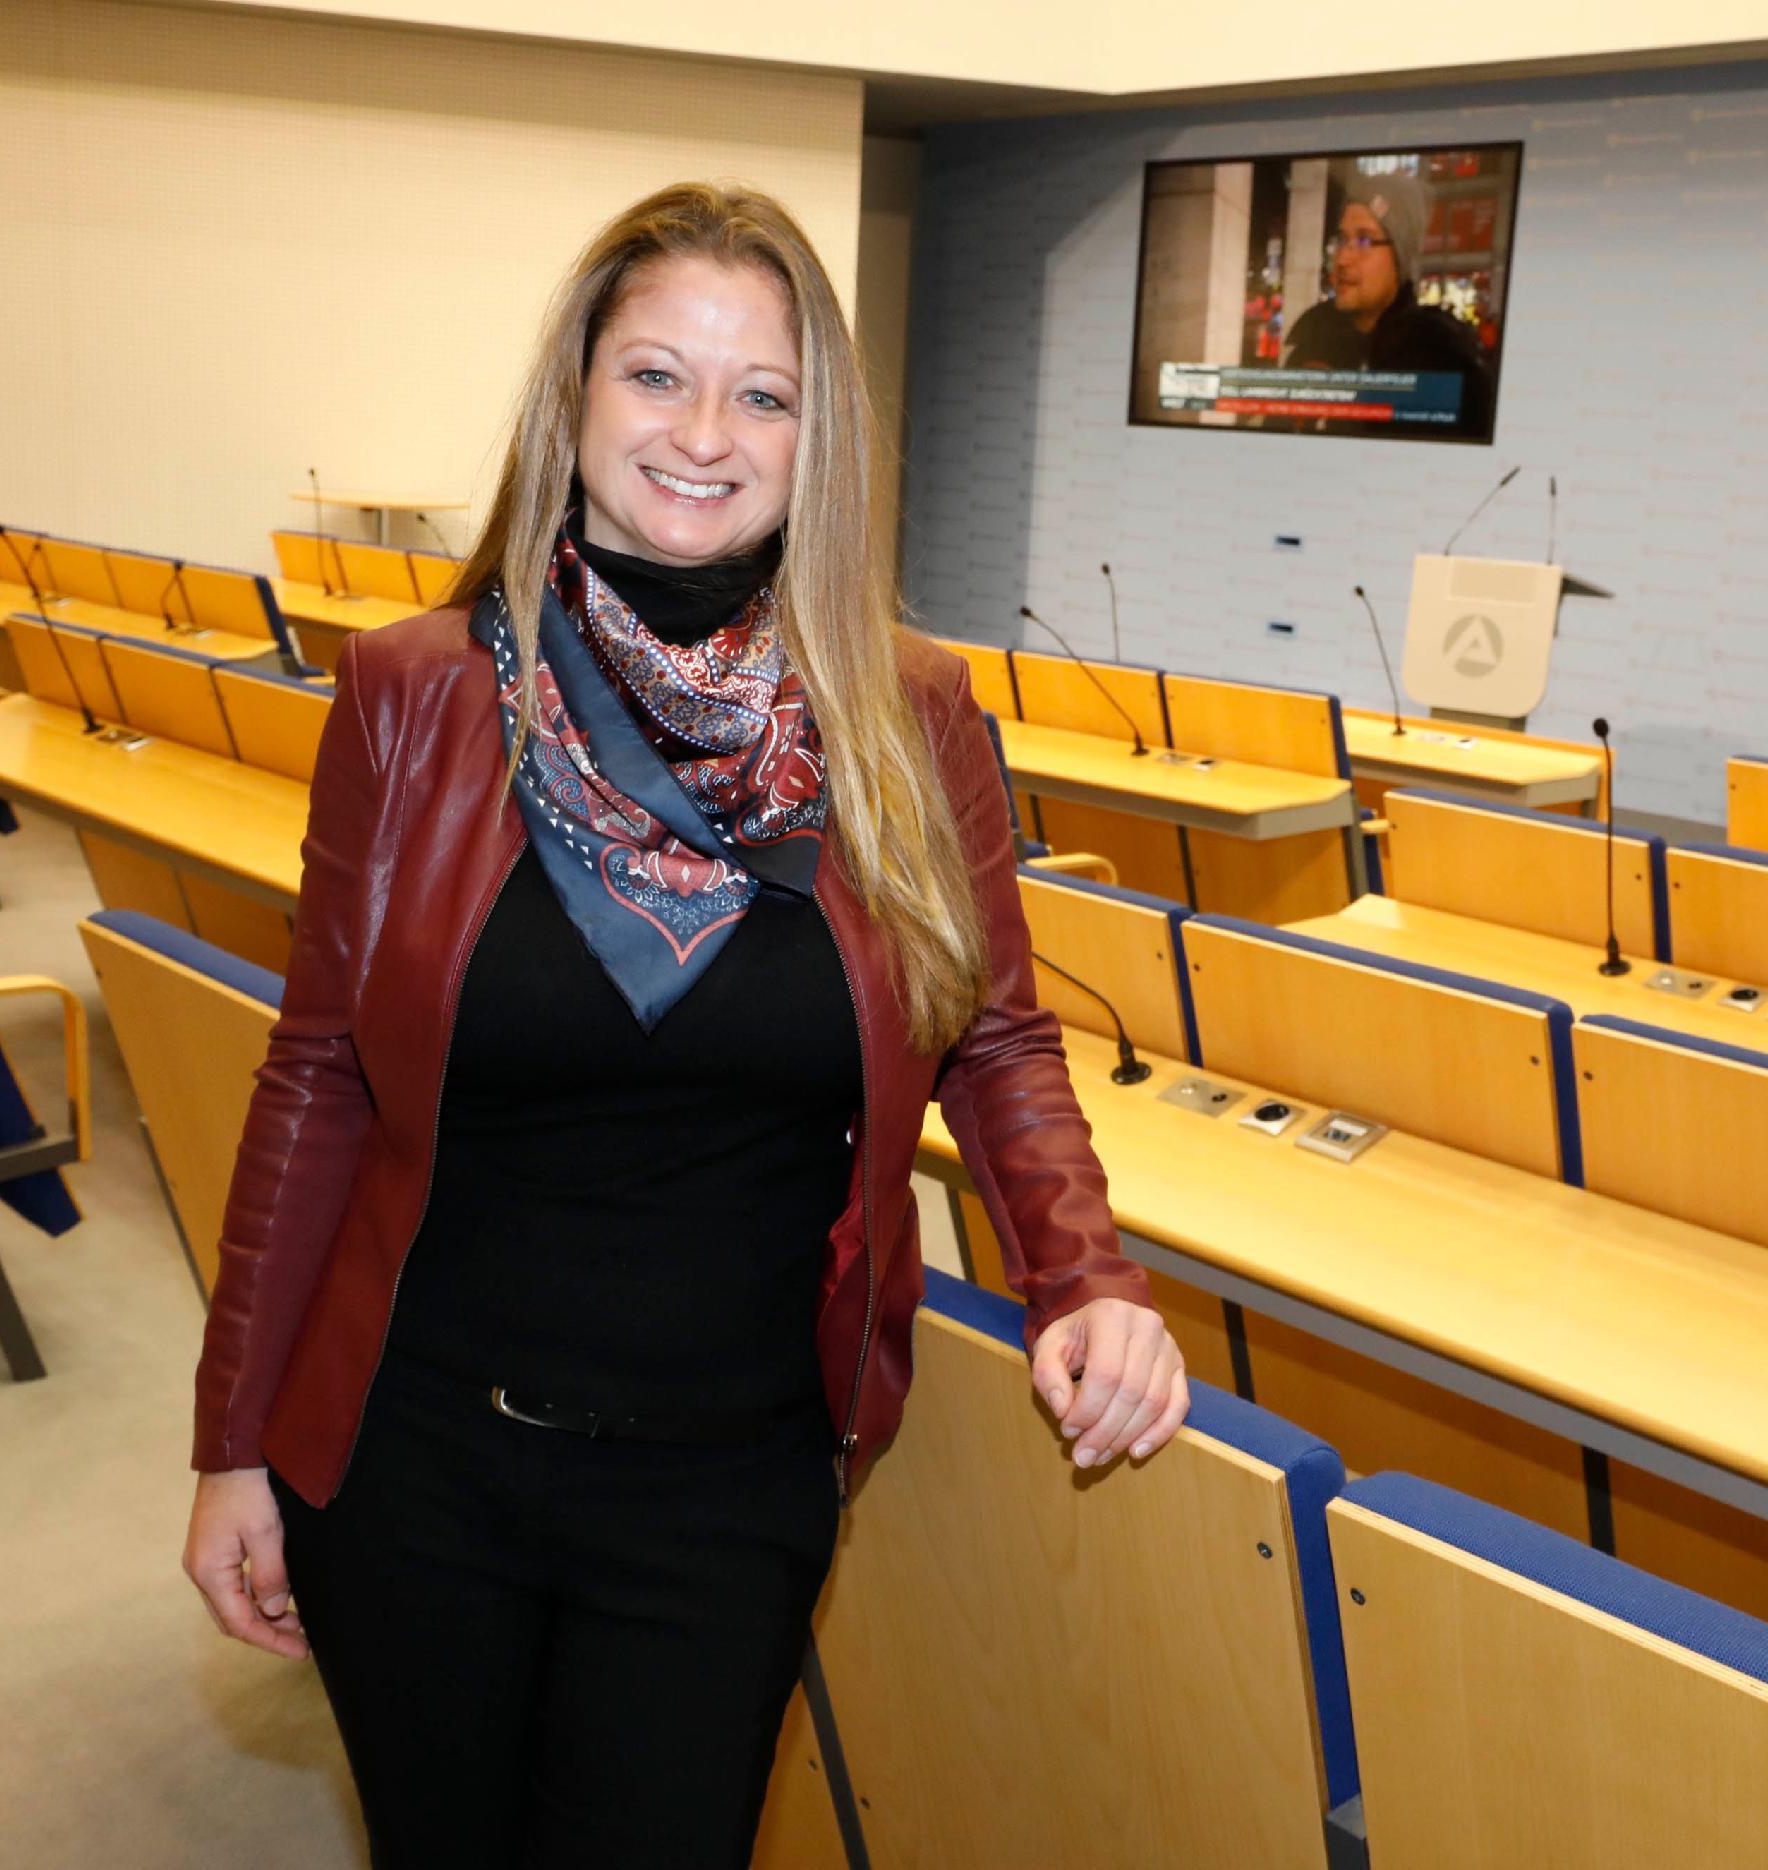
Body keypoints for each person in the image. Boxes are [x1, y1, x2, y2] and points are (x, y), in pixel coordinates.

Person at [179, 182, 1191, 1867]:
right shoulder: (417, 692)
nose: (704, 433)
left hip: (730, 1478)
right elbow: (320, 1078)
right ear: (574, 397)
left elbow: (994, 1034)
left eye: (764, 392)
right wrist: (231, 1446)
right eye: (656, 375)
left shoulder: (908, 714)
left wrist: (1084, 1271)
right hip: (417, 1457)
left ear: (821, 438)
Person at [1281, 168, 1498, 437]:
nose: (1342, 259)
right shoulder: (1313, 337)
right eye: (1342, 239)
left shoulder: (1441, 355)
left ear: (1399, 255)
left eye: (1363, 240)